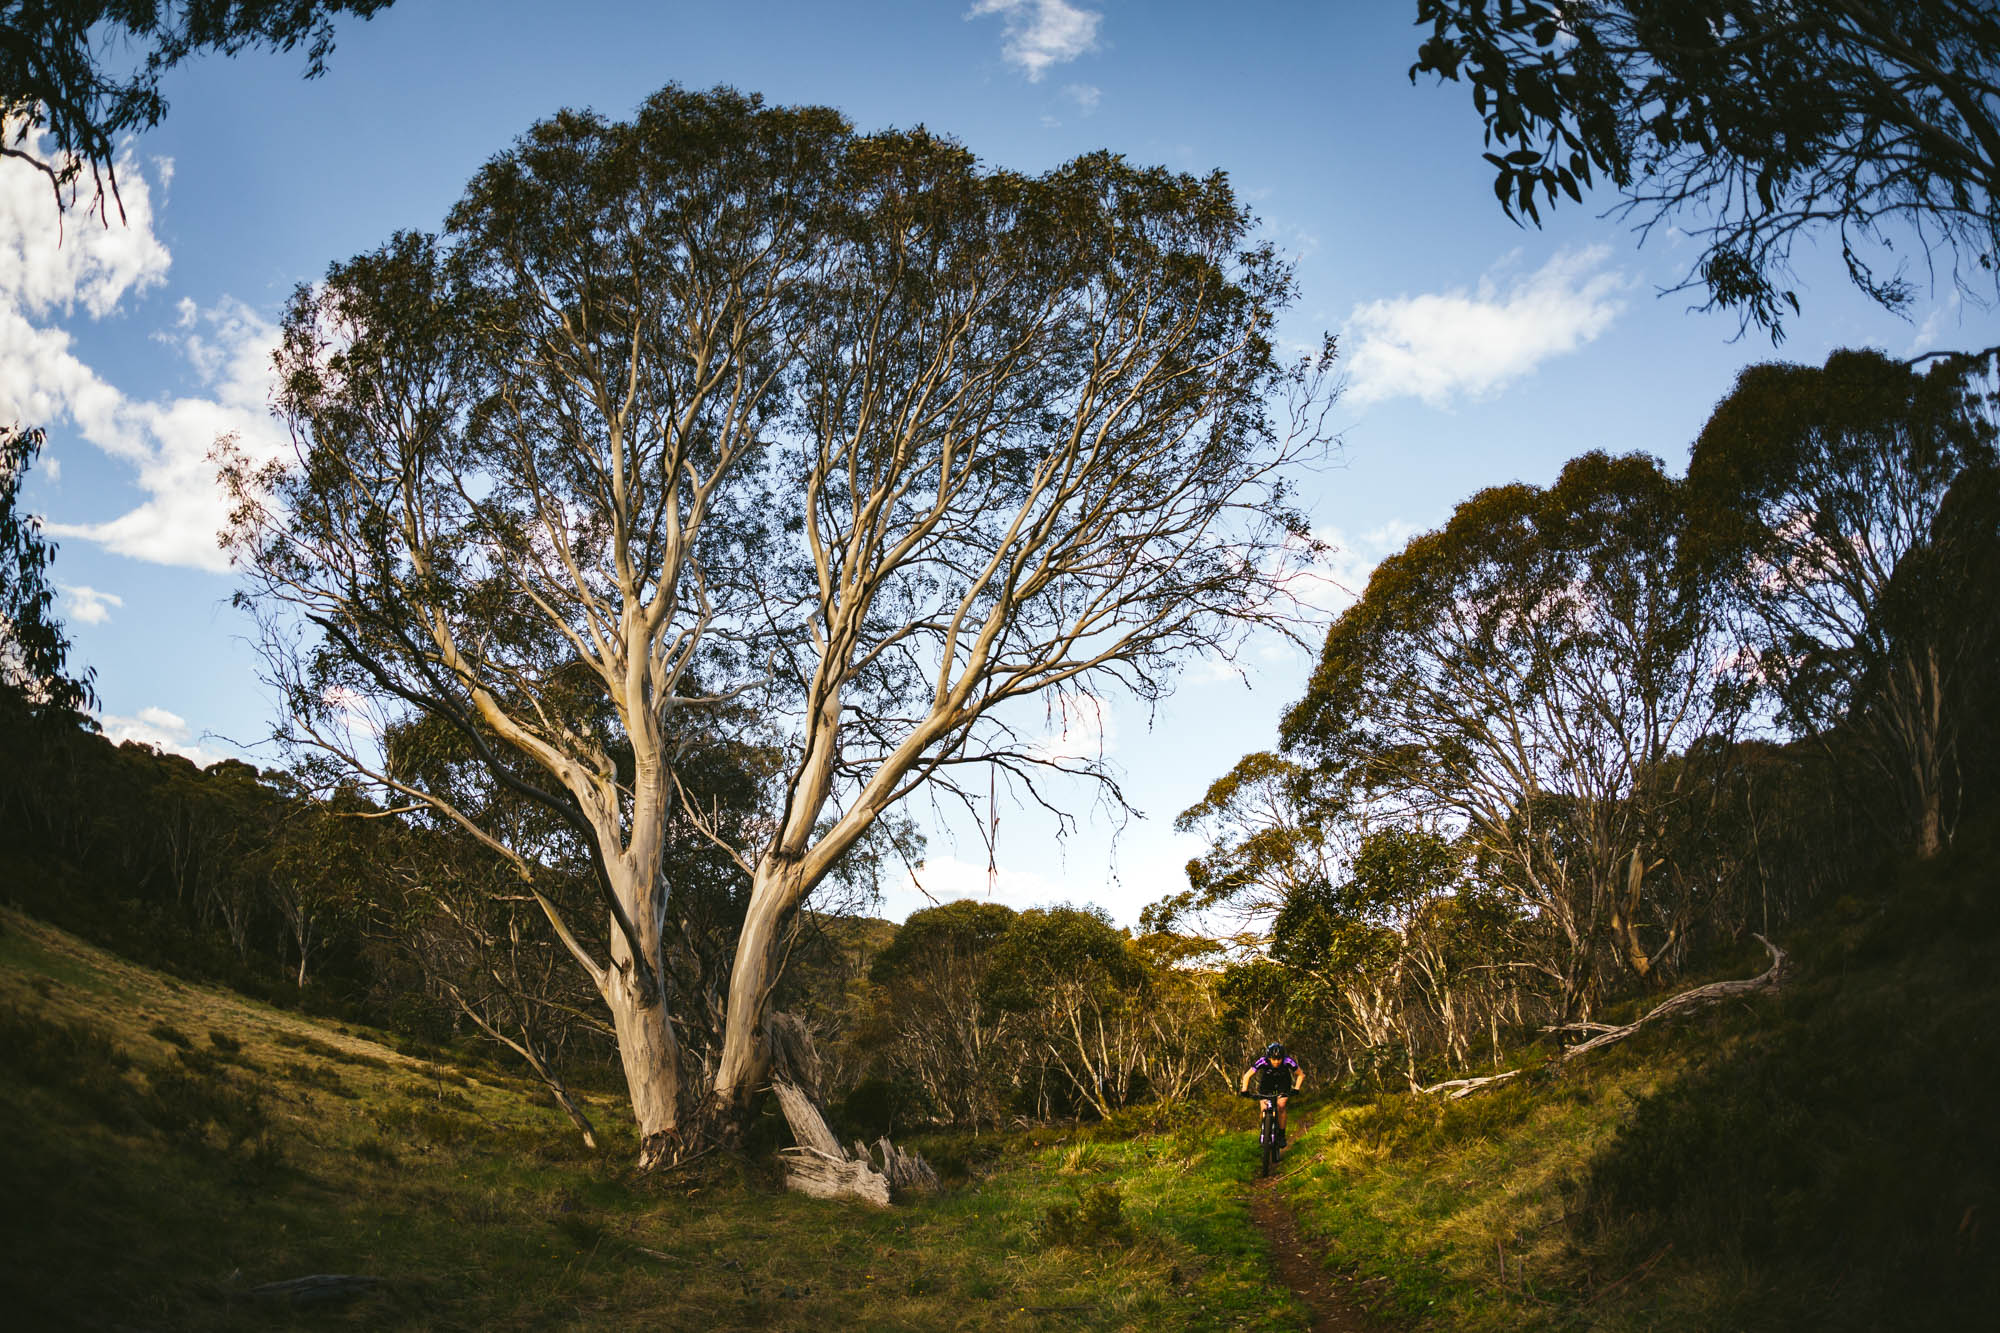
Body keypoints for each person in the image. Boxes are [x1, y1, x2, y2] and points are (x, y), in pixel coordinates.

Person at [1239, 1041, 1303, 1147]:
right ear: (1269, 1058)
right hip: (1267, 1083)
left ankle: (1281, 1136)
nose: (1276, 1062)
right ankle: (1264, 1130)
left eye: (1279, 1059)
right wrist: (1244, 1090)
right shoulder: (1262, 1061)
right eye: (1273, 1059)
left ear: (1283, 1057)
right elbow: (1247, 1075)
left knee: (1281, 1106)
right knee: (1263, 1108)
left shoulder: (1288, 1061)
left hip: (1283, 1082)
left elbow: (1301, 1074)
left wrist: (1296, 1089)